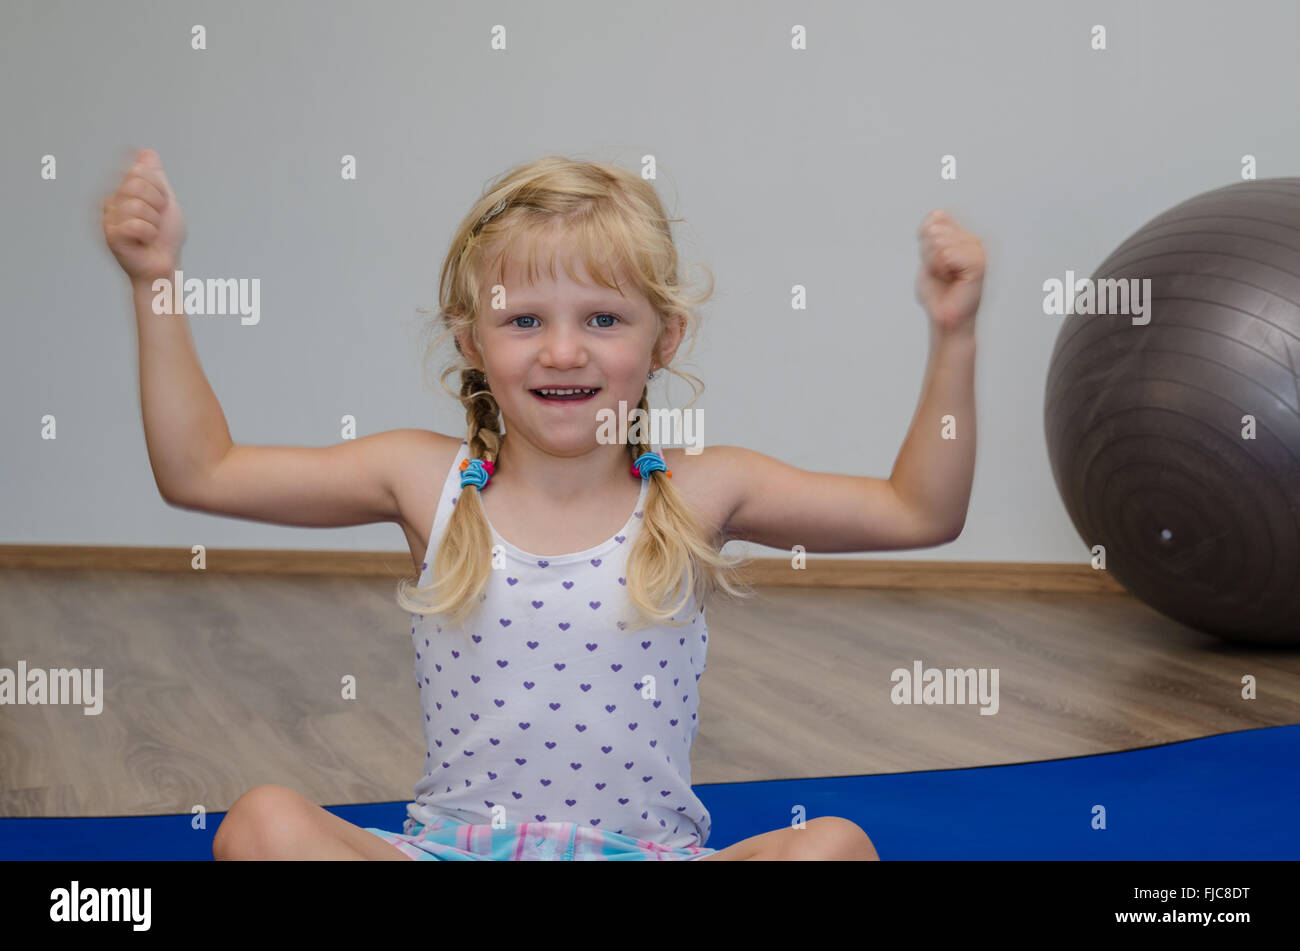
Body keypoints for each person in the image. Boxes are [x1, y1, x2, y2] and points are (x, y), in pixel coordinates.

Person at [102, 148, 983, 860]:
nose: (563, 351)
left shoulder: (701, 489)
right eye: (525, 321)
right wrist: (156, 281)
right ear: (472, 342)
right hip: (455, 852)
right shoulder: (425, 480)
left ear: (665, 337)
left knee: (835, 847)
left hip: (645, 856)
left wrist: (953, 336)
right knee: (262, 823)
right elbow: (201, 470)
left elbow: (919, 510)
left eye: (602, 318)